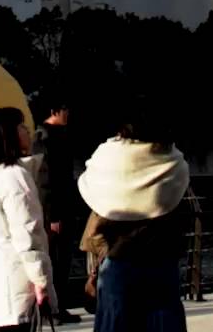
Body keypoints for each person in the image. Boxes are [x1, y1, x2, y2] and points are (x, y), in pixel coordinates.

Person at [79, 95, 189, 332]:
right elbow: (177, 197)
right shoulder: (172, 158)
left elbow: (87, 185)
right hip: (161, 260)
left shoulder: (106, 156)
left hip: (117, 260)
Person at [0, 107, 58, 332]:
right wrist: (42, 283)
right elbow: (28, 236)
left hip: (1, 290)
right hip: (22, 288)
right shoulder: (15, 177)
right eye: (22, 127)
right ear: (7, 134)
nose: (28, 132)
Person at [30, 94, 82, 324]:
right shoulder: (47, 139)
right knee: (56, 260)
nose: (68, 114)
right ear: (55, 110)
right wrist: (54, 215)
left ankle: (56, 307)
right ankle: (53, 309)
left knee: (60, 260)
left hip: (62, 207)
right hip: (56, 211)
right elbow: (47, 180)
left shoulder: (51, 137)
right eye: (65, 109)